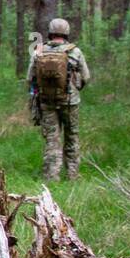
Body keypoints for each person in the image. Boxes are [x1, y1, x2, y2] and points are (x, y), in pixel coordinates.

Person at [27, 17, 91, 181]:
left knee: (52, 140)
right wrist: (75, 89)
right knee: (72, 137)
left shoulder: (39, 50)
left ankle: (51, 177)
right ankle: (72, 175)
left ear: (50, 32)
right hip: (70, 102)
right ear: (66, 32)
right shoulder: (74, 51)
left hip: (46, 102)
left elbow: (30, 78)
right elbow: (86, 77)